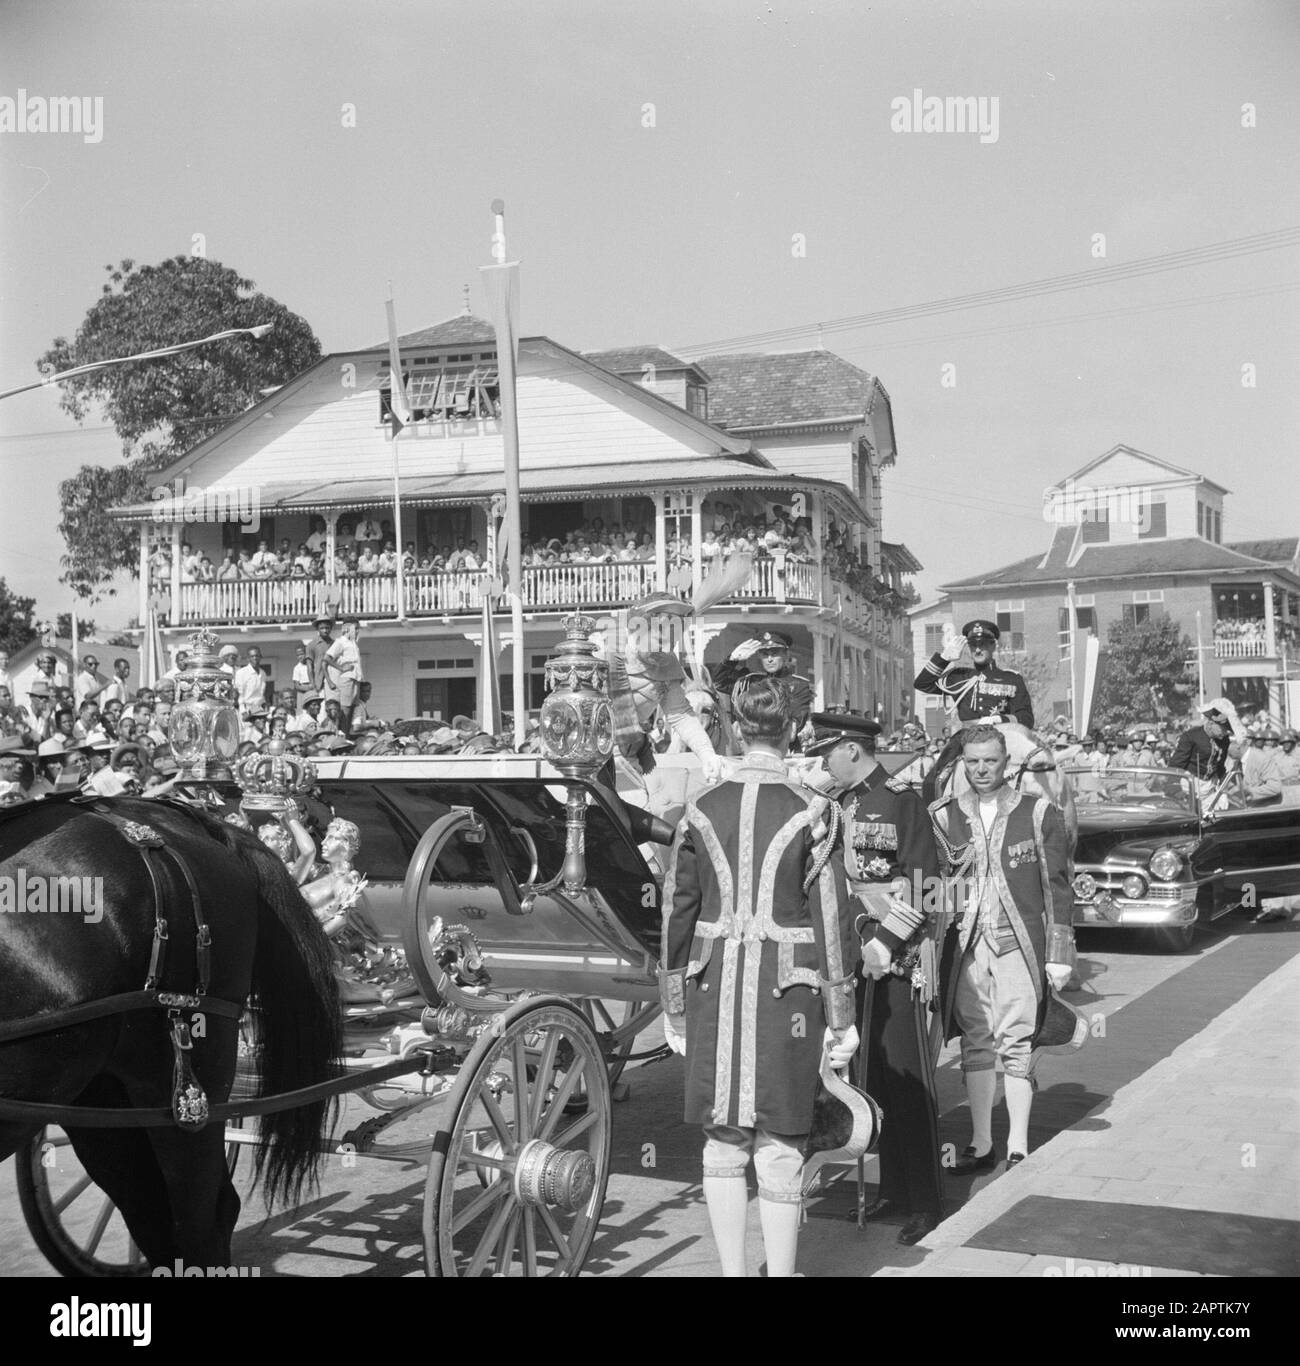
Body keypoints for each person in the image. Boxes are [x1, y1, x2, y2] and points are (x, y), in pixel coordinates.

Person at [658, 677, 858, 1278]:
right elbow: (831, 919)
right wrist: (841, 1015)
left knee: (724, 1141)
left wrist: (672, 1004)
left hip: (712, 984)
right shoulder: (816, 811)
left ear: (737, 730)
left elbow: (677, 910)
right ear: (794, 731)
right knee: (780, 1143)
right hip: (788, 991)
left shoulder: (701, 806)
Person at [806, 711, 946, 1245]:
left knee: (907, 1078)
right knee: (875, 1074)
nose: (823, 764)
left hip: (895, 957)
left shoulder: (903, 801)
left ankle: (927, 1201)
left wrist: (886, 942)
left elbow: (925, 883)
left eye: (827, 754)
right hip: (852, 952)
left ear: (851, 749)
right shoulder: (841, 805)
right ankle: (894, 1187)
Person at [929, 725, 1075, 1169]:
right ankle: (979, 1141)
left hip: (1018, 943)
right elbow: (933, 888)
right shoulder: (942, 815)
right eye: (972, 761)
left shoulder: (1038, 811)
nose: (981, 769)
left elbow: (1058, 886)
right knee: (976, 1040)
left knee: (1017, 1040)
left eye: (989, 760)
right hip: (967, 945)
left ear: (1006, 761)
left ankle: (1016, 1143)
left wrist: (1059, 951)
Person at [913, 620, 1034, 803]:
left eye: (983, 644)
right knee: (933, 781)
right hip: (966, 738)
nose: (977, 650)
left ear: (993, 645)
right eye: (973, 645)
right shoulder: (959, 676)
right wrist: (945, 658)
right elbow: (922, 683)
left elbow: (1026, 718)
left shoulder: (1011, 678)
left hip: (1002, 738)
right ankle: (933, 824)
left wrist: (997, 719)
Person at [711, 630, 814, 739]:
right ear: (759, 657)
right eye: (765, 654)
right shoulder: (749, 682)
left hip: (785, 749)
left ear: (786, 655)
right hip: (749, 748)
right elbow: (718, 682)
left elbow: (795, 723)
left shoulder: (798, 685)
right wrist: (731, 660)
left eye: (774, 654)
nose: (770, 659)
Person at [324, 617, 363, 732]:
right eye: (355, 628)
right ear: (347, 628)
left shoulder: (353, 643)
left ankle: (347, 734)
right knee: (345, 709)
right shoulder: (340, 642)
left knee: (353, 708)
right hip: (347, 679)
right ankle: (342, 734)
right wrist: (341, 668)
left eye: (358, 629)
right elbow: (327, 658)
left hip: (356, 678)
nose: (357, 631)